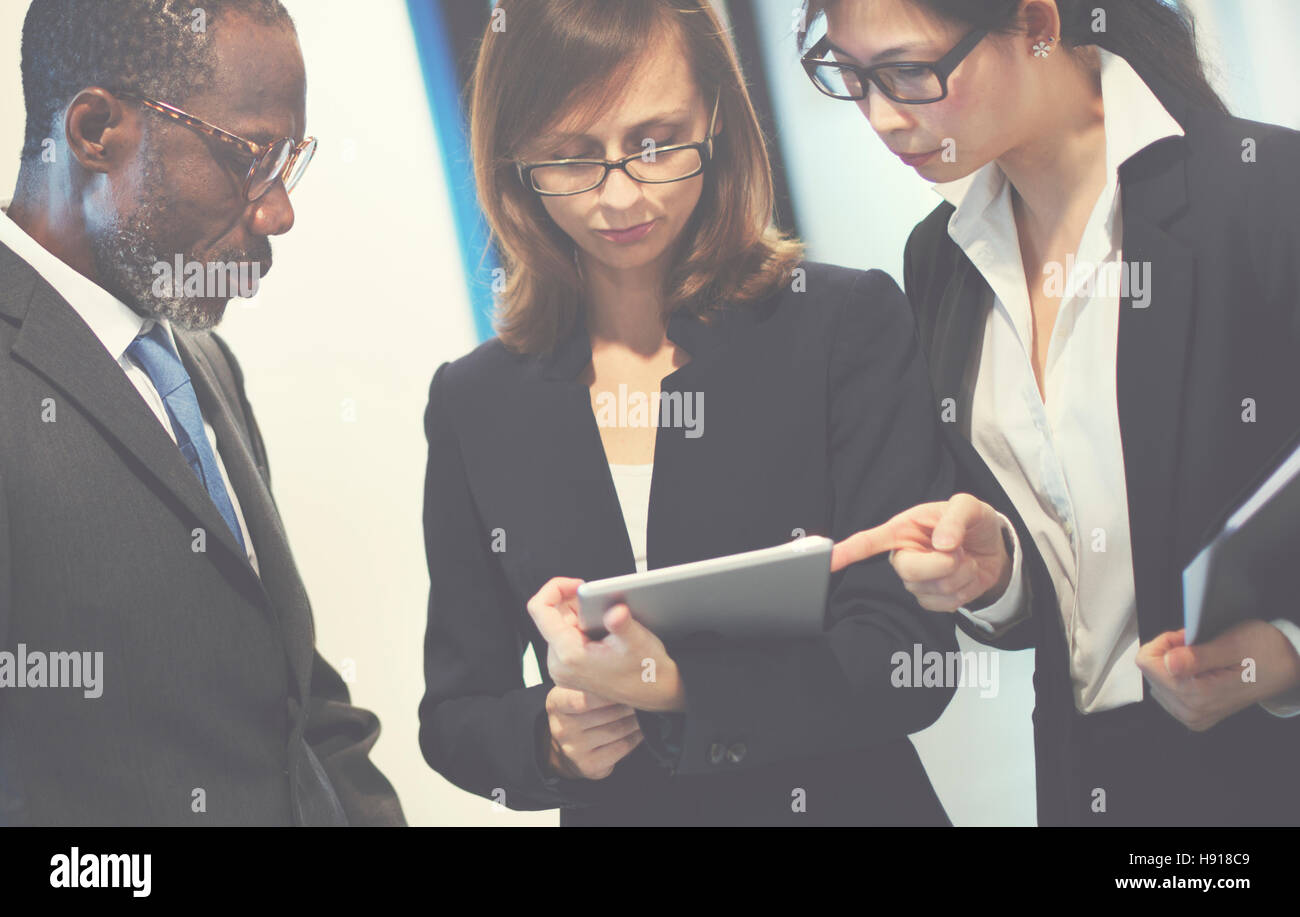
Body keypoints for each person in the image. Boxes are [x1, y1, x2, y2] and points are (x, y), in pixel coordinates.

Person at [419, 0, 966, 826]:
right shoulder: (475, 402)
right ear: (513, 163)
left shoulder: (841, 325)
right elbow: (457, 711)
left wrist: (671, 690)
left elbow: (909, 659)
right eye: (570, 157)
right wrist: (550, 738)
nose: (620, 195)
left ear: (716, 118)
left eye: (655, 142)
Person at [802, 0, 1300, 824]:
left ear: (1037, 23)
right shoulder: (941, 258)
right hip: (1089, 782)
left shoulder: (1262, 195)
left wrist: (1284, 653)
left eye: (909, 71)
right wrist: (993, 571)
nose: (883, 118)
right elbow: (1063, 588)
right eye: (850, 77)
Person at [0, 0, 404, 826]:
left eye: (289, 161)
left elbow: (294, 700)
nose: (278, 211)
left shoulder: (204, 363)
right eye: (250, 156)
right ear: (93, 131)